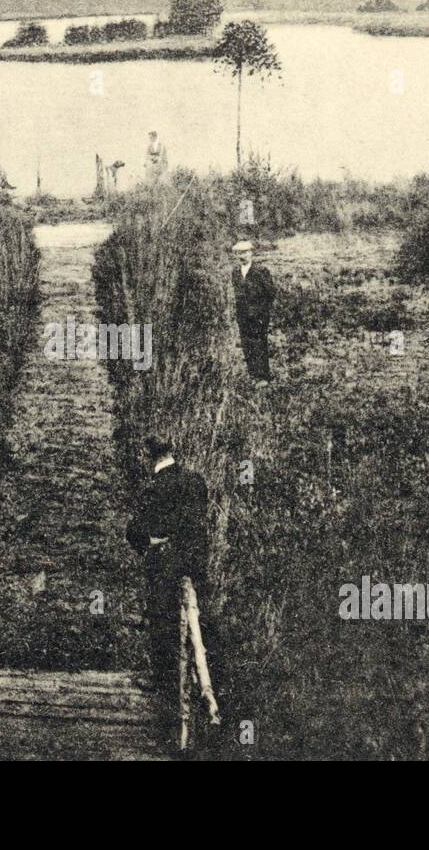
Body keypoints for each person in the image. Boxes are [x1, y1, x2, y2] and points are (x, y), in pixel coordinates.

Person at [125, 436, 210, 724]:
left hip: (164, 562)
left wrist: (147, 542)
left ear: (148, 457)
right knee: (196, 618)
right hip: (194, 561)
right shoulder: (195, 481)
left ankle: (163, 681)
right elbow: (200, 523)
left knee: (162, 619)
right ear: (171, 452)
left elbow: (135, 530)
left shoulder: (154, 488)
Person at [230, 240, 276, 385]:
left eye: (244, 252)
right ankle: (253, 375)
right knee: (246, 344)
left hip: (259, 316)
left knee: (259, 343)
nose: (242, 256)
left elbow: (271, 293)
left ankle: (263, 377)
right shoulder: (236, 272)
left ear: (251, 253)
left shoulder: (260, 271)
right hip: (243, 315)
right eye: (239, 253)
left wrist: (261, 311)